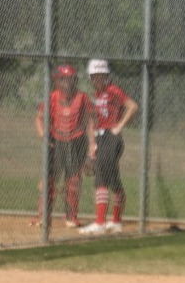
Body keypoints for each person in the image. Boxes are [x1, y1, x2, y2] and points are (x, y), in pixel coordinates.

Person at [84, 58, 138, 234]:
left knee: (101, 177)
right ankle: (116, 222)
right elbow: (92, 120)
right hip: (100, 137)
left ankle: (100, 223)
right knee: (113, 179)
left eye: (101, 75)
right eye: (94, 76)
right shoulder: (96, 94)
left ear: (107, 75)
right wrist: (92, 143)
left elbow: (132, 106)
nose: (98, 79)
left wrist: (119, 126)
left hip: (111, 137)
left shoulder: (113, 90)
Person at [34, 64, 91, 229]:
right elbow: (39, 118)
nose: (67, 82)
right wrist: (43, 134)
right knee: (48, 180)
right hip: (56, 142)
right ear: (57, 81)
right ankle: (43, 216)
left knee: (73, 181)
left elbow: (89, 121)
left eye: (70, 79)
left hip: (76, 142)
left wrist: (92, 145)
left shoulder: (82, 97)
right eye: (64, 79)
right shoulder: (52, 97)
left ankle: (71, 217)